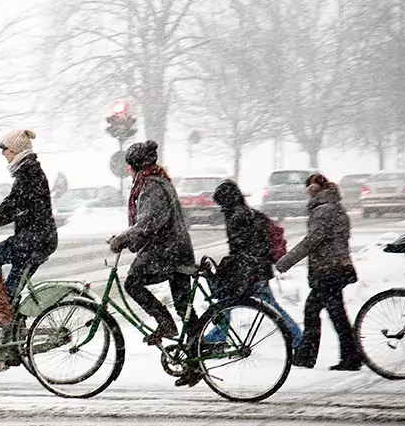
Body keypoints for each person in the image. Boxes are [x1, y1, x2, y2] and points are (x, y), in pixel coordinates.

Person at [108, 140, 199, 386]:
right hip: (176, 249)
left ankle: (165, 323)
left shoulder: (150, 186)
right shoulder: (159, 181)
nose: (127, 170)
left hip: (167, 251)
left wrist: (124, 238)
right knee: (184, 307)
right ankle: (195, 361)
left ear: (137, 166)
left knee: (132, 283)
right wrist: (129, 238)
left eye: (129, 166)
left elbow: (149, 222)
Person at [0, 130, 58, 370]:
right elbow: (15, 206)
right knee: (11, 293)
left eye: (5, 150)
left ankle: (4, 315)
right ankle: (9, 352)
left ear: (16, 151)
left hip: (33, 240)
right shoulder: (28, 171)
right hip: (36, 239)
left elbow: (11, 206)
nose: (3, 155)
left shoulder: (28, 172)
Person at [275, 173, 361, 371]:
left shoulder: (322, 211)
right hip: (338, 267)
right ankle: (347, 355)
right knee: (332, 313)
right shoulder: (336, 207)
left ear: (312, 190)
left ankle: (310, 356)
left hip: (327, 270)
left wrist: (285, 262)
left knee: (317, 311)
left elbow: (312, 241)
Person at [204, 179, 303, 348]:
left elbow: (241, 250)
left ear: (227, 201)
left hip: (250, 271)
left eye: (221, 203)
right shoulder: (248, 213)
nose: (220, 208)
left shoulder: (237, 217)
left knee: (227, 301)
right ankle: (296, 336)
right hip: (258, 268)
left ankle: (296, 337)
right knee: (268, 306)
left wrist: (229, 269)